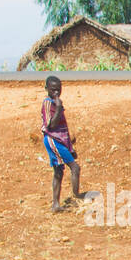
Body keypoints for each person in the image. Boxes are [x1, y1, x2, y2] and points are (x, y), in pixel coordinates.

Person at [40, 76, 87, 212]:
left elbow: (63, 128)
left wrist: (70, 147)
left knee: (58, 172)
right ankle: (76, 199)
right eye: (53, 90)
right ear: (46, 89)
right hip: (53, 139)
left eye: (58, 90)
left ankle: (56, 205)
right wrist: (59, 107)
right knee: (75, 168)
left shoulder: (55, 103)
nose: (56, 93)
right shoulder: (48, 103)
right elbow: (51, 125)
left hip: (59, 140)